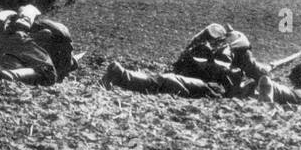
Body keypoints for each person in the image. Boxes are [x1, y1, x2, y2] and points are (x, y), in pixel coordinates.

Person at [104, 22, 264, 98]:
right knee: (165, 81)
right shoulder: (224, 51)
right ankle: (121, 75)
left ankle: (121, 75)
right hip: (201, 83)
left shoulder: (224, 52)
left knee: (164, 81)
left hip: (201, 84)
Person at [0, 5, 77, 85]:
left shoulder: (45, 31)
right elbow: (61, 73)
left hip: (11, 50)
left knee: (10, 64)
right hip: (24, 42)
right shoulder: (63, 54)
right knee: (49, 73)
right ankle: (13, 75)